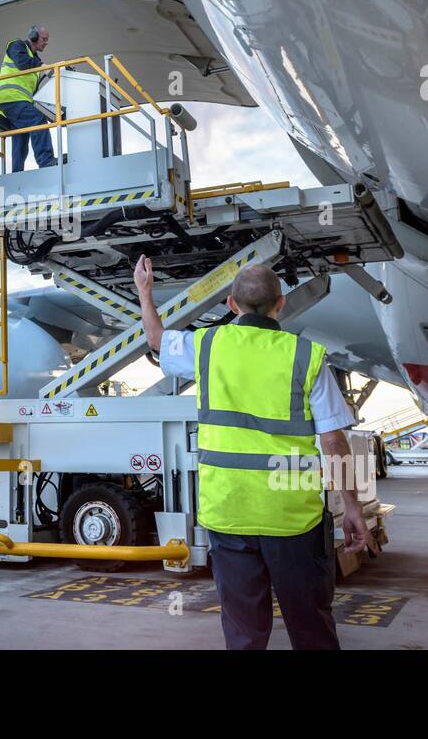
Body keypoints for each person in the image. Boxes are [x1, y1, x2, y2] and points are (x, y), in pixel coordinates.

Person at [133, 255, 370, 649]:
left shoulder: (207, 345)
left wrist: (145, 292)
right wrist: (353, 507)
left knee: (244, 630)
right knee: (311, 625)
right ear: (281, 304)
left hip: (229, 509)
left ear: (231, 304)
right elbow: (333, 442)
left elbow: (156, 340)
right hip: (292, 515)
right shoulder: (306, 356)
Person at [0, 25, 59, 172]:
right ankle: (46, 161)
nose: (46, 43)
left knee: (21, 137)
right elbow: (23, 63)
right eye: (44, 39)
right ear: (33, 36)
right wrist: (43, 67)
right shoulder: (17, 45)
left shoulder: (35, 59)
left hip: (18, 101)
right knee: (38, 119)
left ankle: (17, 173)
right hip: (11, 99)